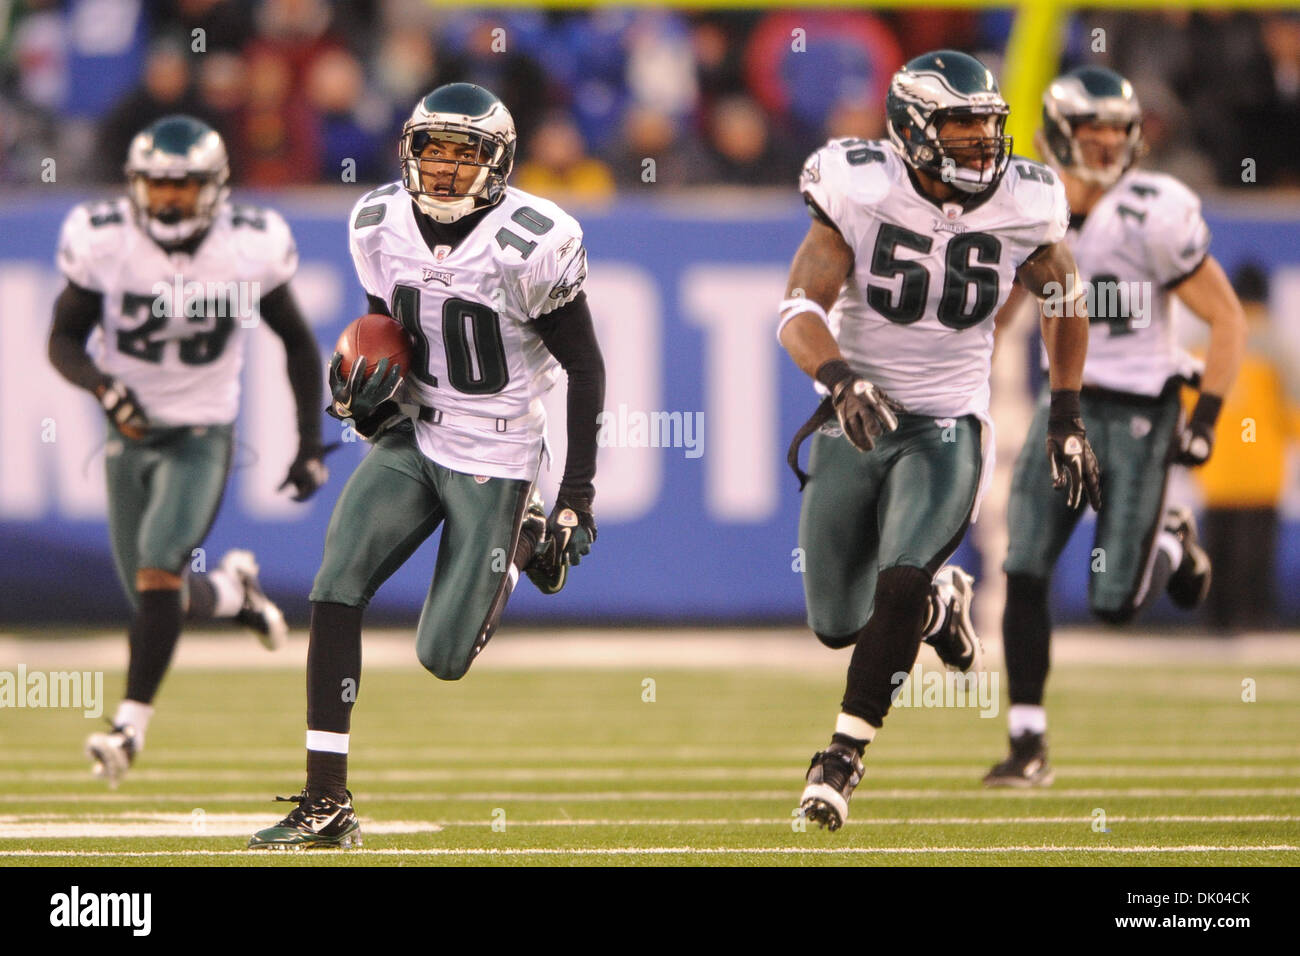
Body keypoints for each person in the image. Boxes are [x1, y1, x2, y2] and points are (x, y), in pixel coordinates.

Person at [248, 83, 605, 849]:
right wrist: (368, 396)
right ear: (409, 151)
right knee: (335, 585)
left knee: (441, 657)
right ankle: (326, 800)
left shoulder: (533, 240)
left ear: (497, 162)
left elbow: (587, 368)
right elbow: (389, 330)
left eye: (464, 152)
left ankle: (525, 537)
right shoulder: (377, 222)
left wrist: (576, 493)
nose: (445, 167)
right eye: (433, 149)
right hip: (414, 435)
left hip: (500, 447)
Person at [779, 50, 1100, 831]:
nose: (979, 143)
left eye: (987, 126)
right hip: (859, 417)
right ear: (911, 129)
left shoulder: (1025, 200)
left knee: (898, 579)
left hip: (948, 424)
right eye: (958, 126)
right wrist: (841, 380)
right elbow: (798, 310)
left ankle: (842, 756)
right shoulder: (859, 185)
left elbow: (1065, 296)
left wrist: (1065, 414)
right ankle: (935, 610)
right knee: (836, 621)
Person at [47, 115, 328, 787]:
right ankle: (234, 591)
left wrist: (308, 440)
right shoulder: (105, 240)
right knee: (155, 593)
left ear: (214, 190)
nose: (168, 200)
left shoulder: (246, 248)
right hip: (130, 434)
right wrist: (100, 384)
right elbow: (62, 341)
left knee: (156, 569)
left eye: (183, 187)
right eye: (157, 186)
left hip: (202, 432)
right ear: (135, 186)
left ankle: (127, 729)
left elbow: (297, 342)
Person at [986, 67, 1246, 786]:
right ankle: (1027, 743)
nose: (1104, 144)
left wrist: (1209, 418)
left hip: (1139, 411)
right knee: (1024, 567)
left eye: (1115, 131)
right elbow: (1002, 311)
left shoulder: (1153, 211)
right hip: (1067, 406)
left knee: (1111, 606)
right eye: (1090, 130)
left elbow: (1225, 317)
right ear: (1057, 135)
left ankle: (1171, 544)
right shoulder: (1028, 206)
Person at [1193, 264, 1300, 632]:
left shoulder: (1207, 342)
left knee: (1217, 556)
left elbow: (1187, 405)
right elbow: (1295, 416)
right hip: (1262, 478)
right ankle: (1253, 625)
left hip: (1216, 473)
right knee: (1254, 563)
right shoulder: (1280, 348)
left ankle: (1216, 624)